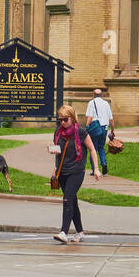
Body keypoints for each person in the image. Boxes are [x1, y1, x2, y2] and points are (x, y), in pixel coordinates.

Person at [51, 104, 102, 243]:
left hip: (76, 171)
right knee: (72, 201)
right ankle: (79, 232)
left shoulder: (81, 132)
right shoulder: (58, 132)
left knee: (67, 199)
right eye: (59, 119)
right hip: (62, 171)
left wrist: (96, 168)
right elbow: (58, 151)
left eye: (65, 119)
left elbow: (92, 149)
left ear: (72, 118)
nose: (62, 122)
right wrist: (55, 163)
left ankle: (63, 232)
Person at [84, 87, 114, 175]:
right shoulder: (106, 103)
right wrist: (112, 131)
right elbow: (111, 119)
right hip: (104, 128)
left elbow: (90, 117)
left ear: (93, 95)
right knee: (101, 147)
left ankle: (94, 169)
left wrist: (87, 127)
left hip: (95, 128)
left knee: (93, 148)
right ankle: (104, 163)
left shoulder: (91, 103)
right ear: (102, 95)